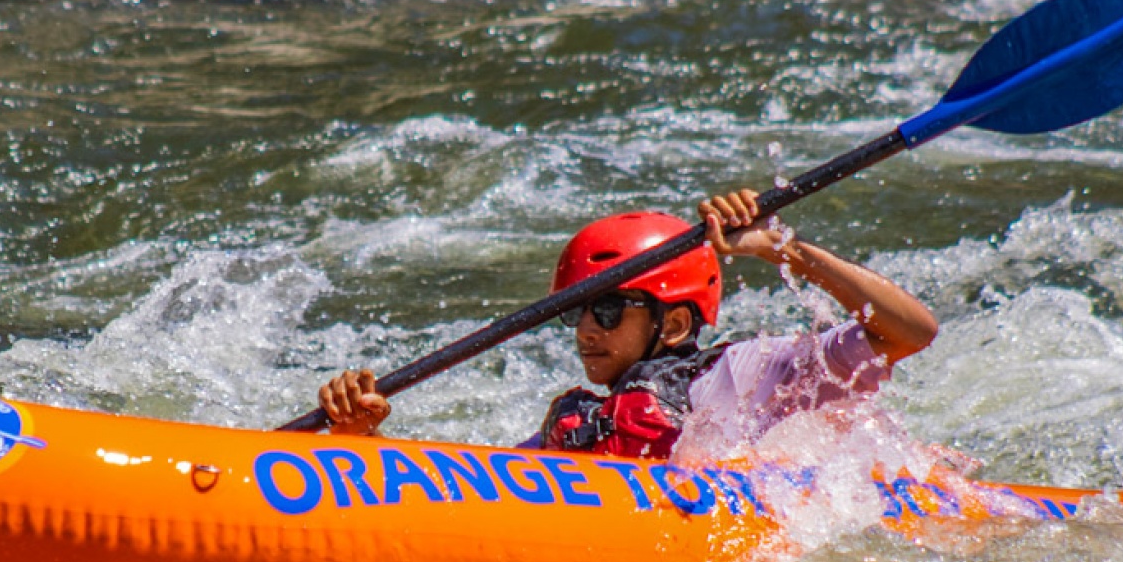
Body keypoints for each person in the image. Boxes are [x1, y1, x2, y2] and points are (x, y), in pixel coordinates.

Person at [316, 189, 938, 460]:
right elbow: (470, 500)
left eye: (608, 311)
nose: (587, 329)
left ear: (671, 326)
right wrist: (359, 438)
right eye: (576, 312)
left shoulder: (749, 372)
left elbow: (910, 331)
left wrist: (784, 251)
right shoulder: (583, 424)